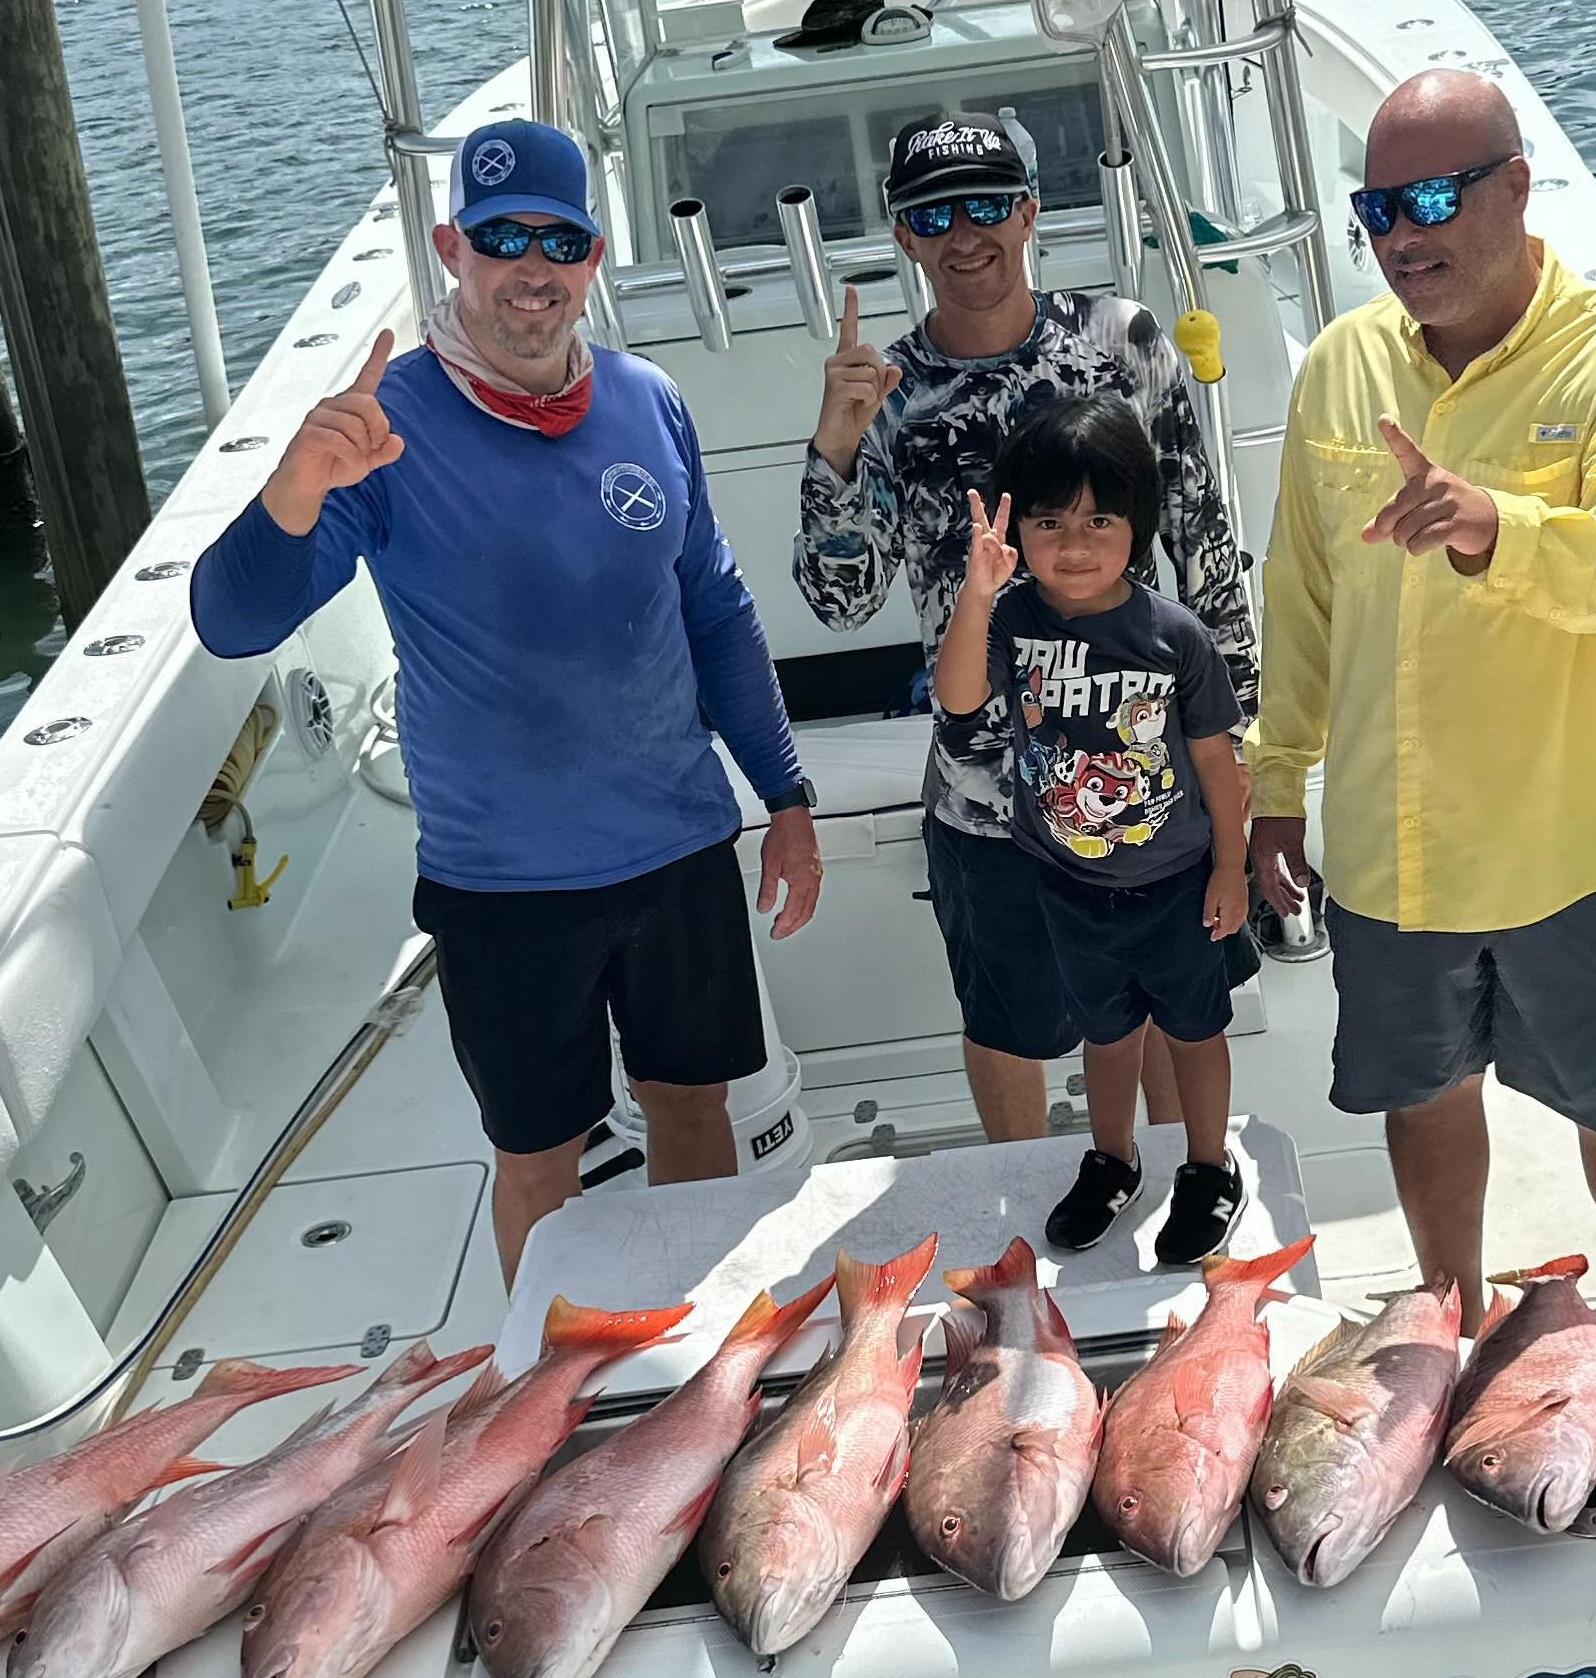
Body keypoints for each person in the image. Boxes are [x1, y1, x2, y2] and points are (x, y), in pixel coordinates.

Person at [191, 118, 821, 1285]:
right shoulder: (390, 428)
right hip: (504, 882)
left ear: (590, 256)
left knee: (692, 1109)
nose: (531, 268)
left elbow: (717, 610)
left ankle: (696, 1349)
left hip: (676, 846)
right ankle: (550, 1385)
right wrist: (292, 491)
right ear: (451, 248)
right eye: (499, 238)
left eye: (558, 239)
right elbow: (232, 621)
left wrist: (783, 793)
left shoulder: (647, 400)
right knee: (538, 1156)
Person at [1248, 68, 1596, 1328]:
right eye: (1377, 207)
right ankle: (1445, 1313)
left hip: (1569, 846)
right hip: (1393, 857)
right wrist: (1275, 782)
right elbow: (1300, 595)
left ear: (1515, 185)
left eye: (1435, 196)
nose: (1403, 233)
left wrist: (1495, 525)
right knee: (1424, 1094)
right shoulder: (1338, 366)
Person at [795, 110, 1260, 1145]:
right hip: (987, 796)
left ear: (1028, 213)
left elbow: (1204, 545)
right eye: (932, 214)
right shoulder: (885, 394)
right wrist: (833, 446)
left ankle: (1175, 1201)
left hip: (1150, 786)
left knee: (1164, 1009)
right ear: (903, 235)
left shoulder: (1125, 342)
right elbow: (841, 600)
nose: (964, 235)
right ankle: (1017, 1213)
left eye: (985, 205)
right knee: (1006, 1026)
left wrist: (1238, 744)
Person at [934, 397, 1256, 1263]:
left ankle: (1207, 1164)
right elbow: (961, 698)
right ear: (1016, 529)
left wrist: (1233, 868)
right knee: (1105, 1034)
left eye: (1100, 520)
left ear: (1138, 527)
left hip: (1179, 879)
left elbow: (1220, 764)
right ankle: (1113, 1159)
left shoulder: (1174, 635)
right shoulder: (1010, 621)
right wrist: (977, 592)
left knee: (1195, 1028)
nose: (1073, 545)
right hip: (1069, 883)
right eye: (1048, 522)